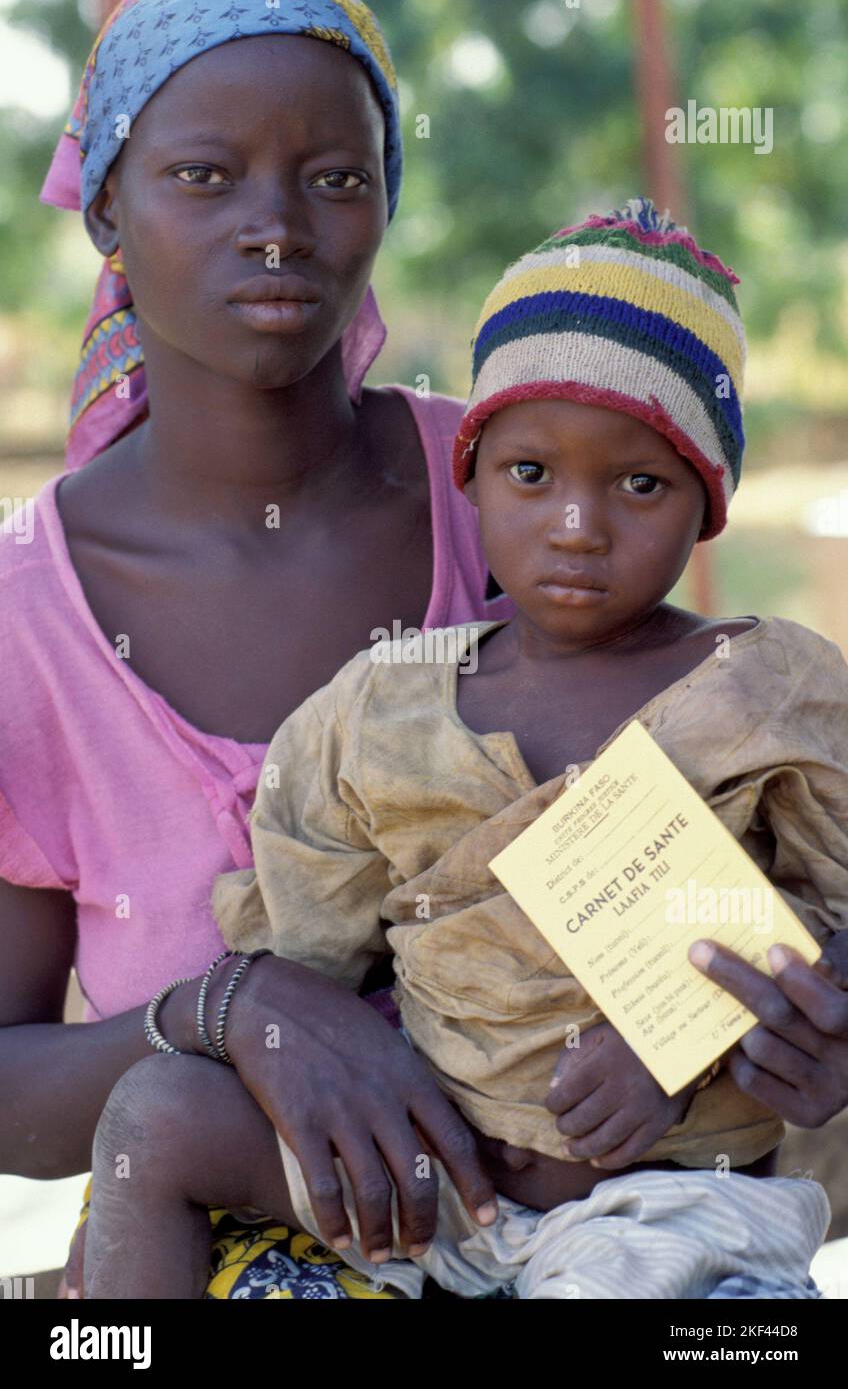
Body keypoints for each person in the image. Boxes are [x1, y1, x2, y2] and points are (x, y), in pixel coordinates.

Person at [82, 199, 848, 1299]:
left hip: (673, 1215)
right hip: (423, 1187)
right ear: (472, 474)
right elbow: (306, 973)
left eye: (639, 483)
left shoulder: (767, 687)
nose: (577, 524)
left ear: (707, 505)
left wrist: (695, 1041)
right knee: (156, 1116)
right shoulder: (381, 708)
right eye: (531, 473)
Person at [0, 0, 516, 1302]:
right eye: (204, 175)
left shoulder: (512, 497)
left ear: (386, 195)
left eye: (335, 176)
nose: (277, 223)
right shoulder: (29, 619)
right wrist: (229, 1012)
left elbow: (708, 828)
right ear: (110, 209)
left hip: (553, 1231)